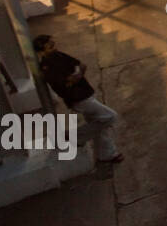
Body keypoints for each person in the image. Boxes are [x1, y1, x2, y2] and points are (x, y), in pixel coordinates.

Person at [33, 34, 123, 163]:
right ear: (41, 51)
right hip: (78, 99)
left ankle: (107, 154)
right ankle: (73, 136)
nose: (55, 48)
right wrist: (75, 76)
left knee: (99, 125)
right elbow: (64, 83)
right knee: (110, 116)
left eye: (54, 44)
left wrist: (76, 76)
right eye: (50, 47)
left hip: (86, 92)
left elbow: (81, 65)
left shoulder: (59, 55)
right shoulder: (47, 67)